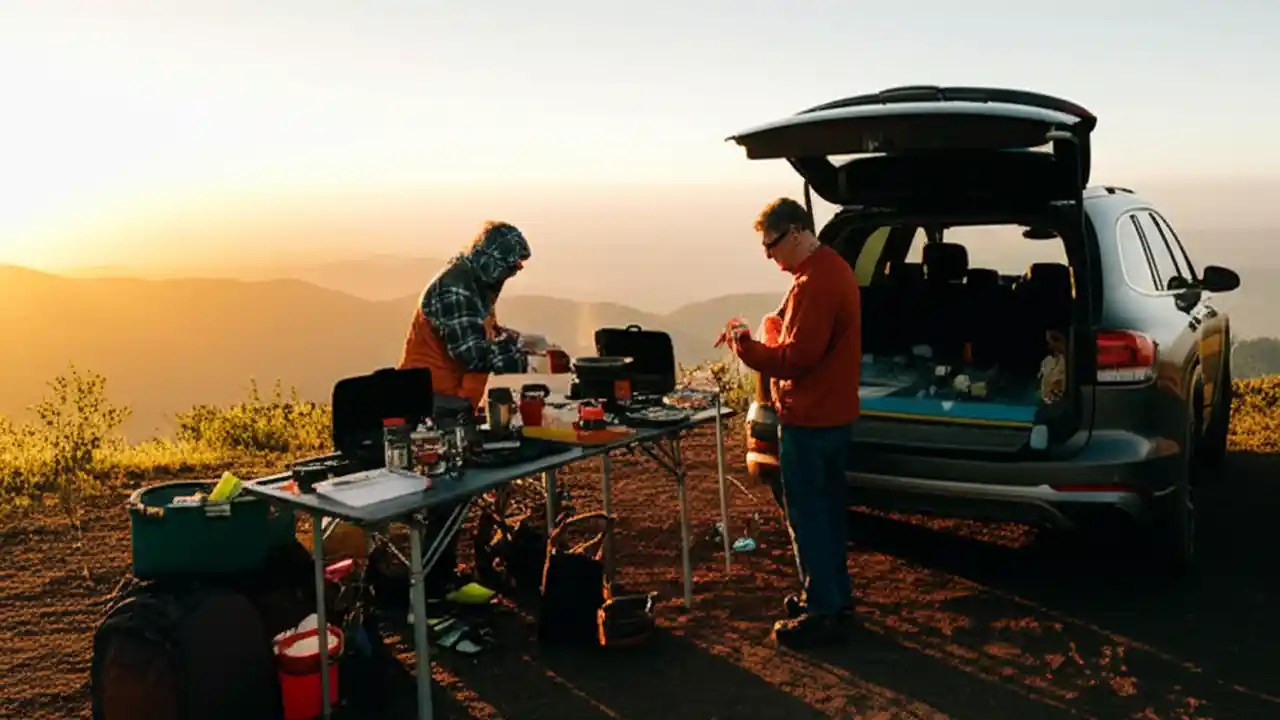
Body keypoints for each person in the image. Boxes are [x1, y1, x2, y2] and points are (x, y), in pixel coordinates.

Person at [723, 197, 862, 649]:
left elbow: (798, 359)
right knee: (826, 511)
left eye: (772, 243)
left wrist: (746, 348)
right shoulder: (833, 270)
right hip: (834, 414)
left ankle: (823, 612)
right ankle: (831, 598)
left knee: (807, 514)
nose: (768, 254)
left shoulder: (813, 284)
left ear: (798, 233)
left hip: (810, 418)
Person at [397, 220, 538, 609]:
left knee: (455, 497)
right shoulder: (456, 287)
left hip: (454, 403)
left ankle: (441, 581)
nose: (514, 272)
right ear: (493, 260)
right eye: (512, 264)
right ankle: (427, 594)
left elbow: (482, 335)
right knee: (444, 495)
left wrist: (514, 339)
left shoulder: (477, 287)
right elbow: (471, 353)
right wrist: (523, 358)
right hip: (431, 405)